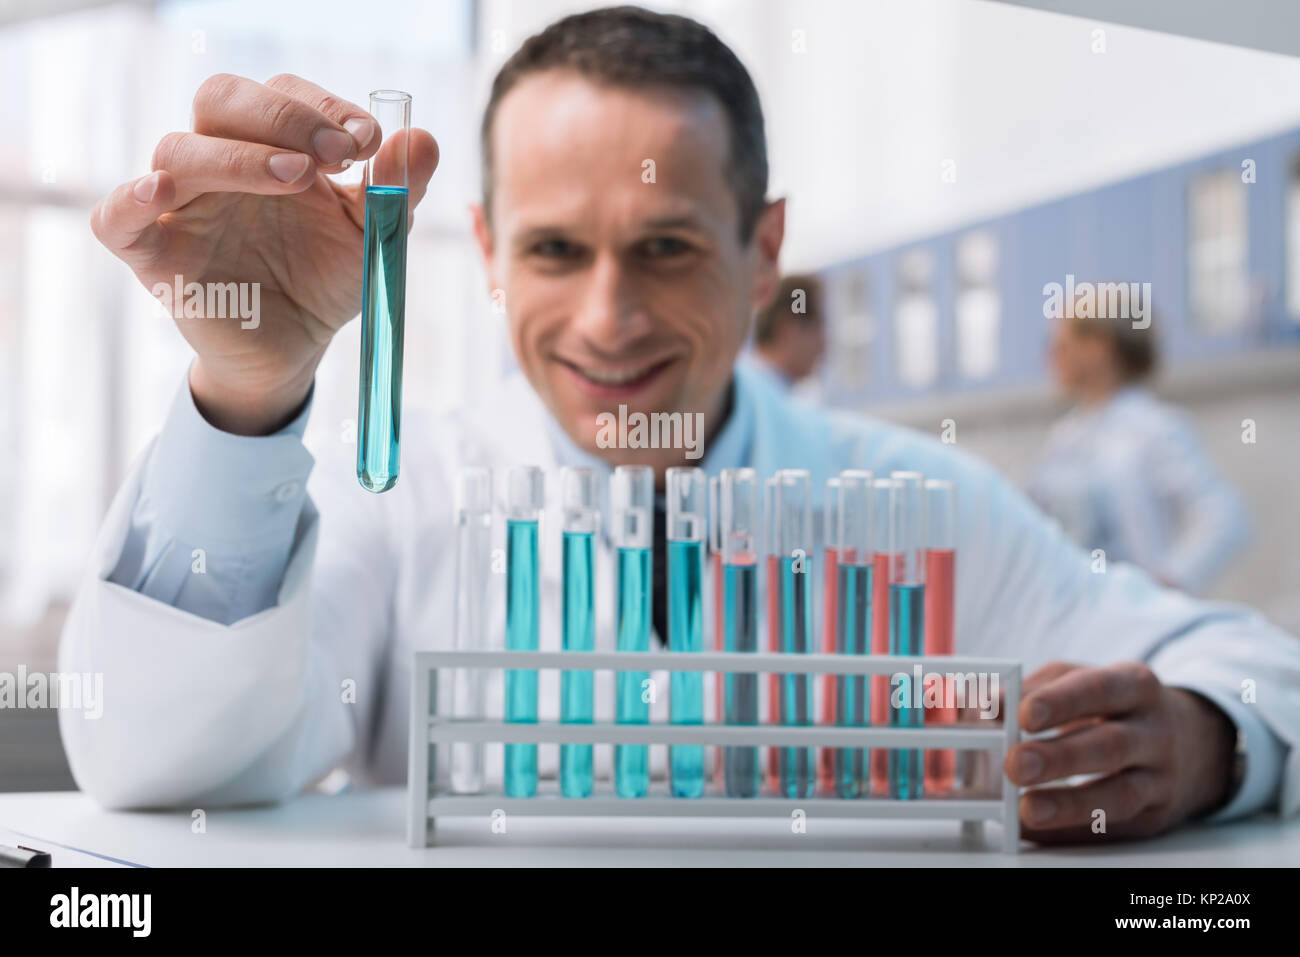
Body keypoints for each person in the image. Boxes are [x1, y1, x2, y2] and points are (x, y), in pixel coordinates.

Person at [64, 7, 1296, 842]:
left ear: (762, 251)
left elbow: (1245, 666)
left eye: (666, 247)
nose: (608, 319)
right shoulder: (411, 488)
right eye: (555, 249)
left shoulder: (918, 502)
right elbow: (167, 771)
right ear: (488, 250)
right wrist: (245, 390)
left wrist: (1200, 745)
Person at [1028, 304, 1249, 595]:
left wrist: (1167, 582)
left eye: (1061, 345)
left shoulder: (1155, 428)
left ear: (1099, 347)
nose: (1051, 356)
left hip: (1136, 620)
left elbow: (1224, 515)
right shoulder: (1064, 437)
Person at [742, 273, 826, 397]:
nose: (822, 345)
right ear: (791, 329)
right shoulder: (759, 397)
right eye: (818, 327)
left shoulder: (745, 386)